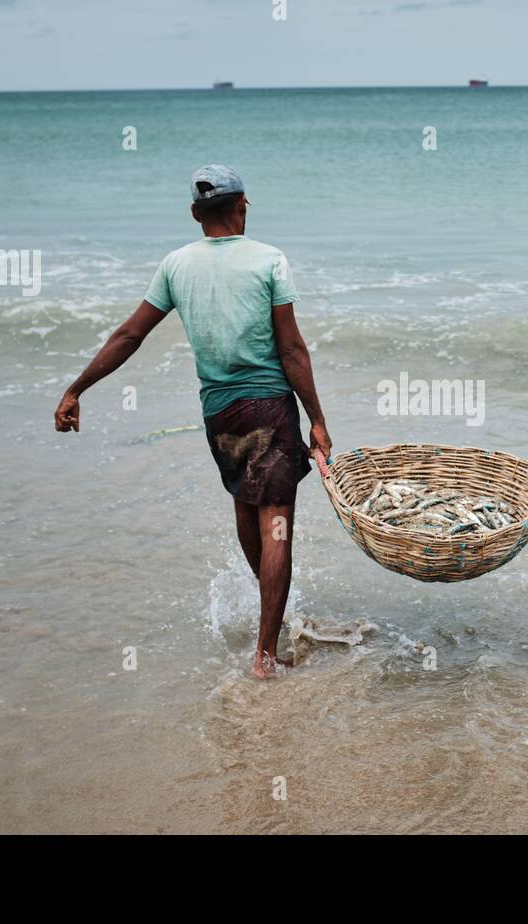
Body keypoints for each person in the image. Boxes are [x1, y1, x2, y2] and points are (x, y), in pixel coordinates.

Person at [54, 164, 331, 678]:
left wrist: (76, 389)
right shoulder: (269, 259)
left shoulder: (175, 265)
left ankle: (271, 626)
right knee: (277, 525)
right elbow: (291, 348)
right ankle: (265, 655)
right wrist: (317, 419)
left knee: (249, 511)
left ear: (195, 213)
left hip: (219, 413)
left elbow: (127, 337)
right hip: (270, 406)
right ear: (242, 205)